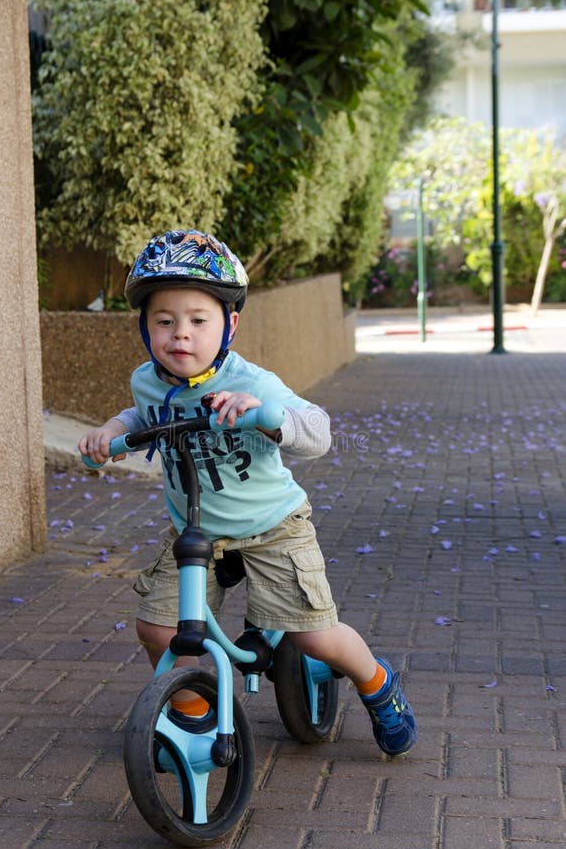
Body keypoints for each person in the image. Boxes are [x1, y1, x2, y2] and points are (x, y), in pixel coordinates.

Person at [78, 229, 417, 757]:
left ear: (229, 324)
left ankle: (377, 684)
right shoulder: (147, 381)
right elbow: (140, 415)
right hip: (197, 533)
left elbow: (317, 431)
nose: (179, 335)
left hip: (271, 527)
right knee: (156, 628)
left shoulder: (251, 381)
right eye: (163, 321)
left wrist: (267, 415)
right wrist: (109, 431)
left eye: (197, 320)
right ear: (144, 329)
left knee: (313, 636)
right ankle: (194, 712)